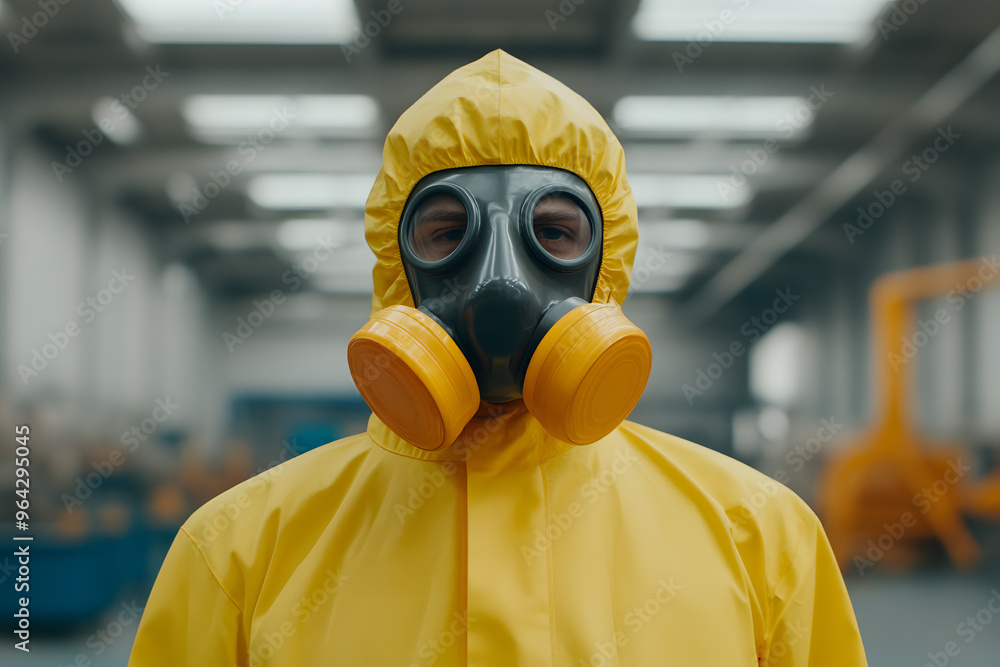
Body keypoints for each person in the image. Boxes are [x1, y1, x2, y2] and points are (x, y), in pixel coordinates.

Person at [128, 49, 868, 666]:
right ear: (396, 264)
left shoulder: (762, 538)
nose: (501, 286)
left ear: (606, 263)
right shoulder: (238, 552)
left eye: (554, 233)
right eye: (449, 235)